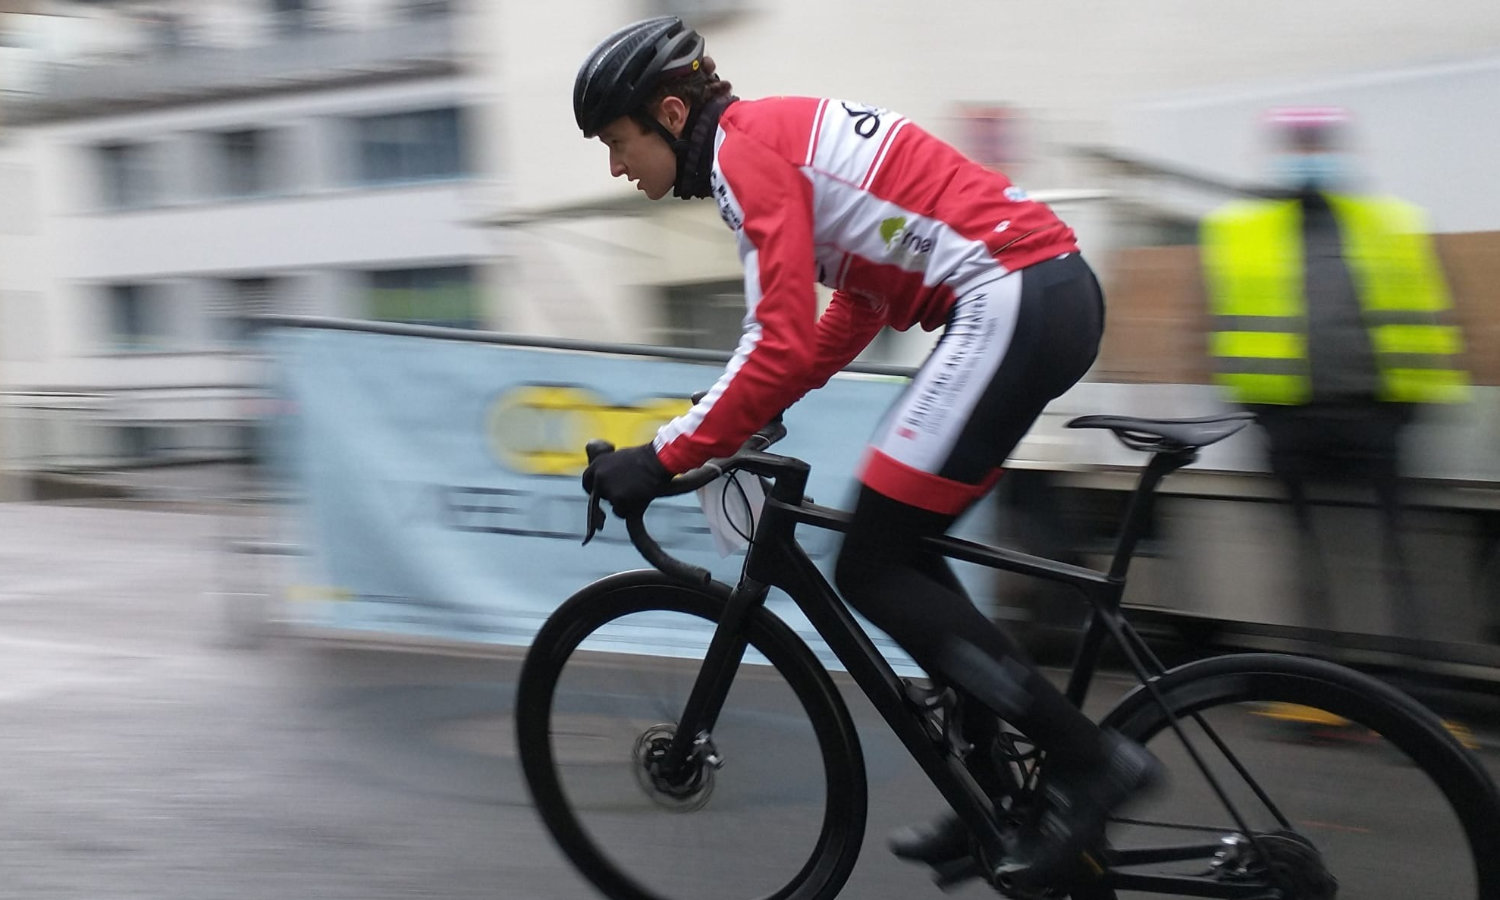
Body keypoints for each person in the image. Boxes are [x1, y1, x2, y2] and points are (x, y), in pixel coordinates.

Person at [573, 16, 1159, 887]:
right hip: (1039, 294)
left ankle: (1089, 761)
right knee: (902, 547)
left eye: (618, 143)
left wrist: (660, 456)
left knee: (871, 566)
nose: (616, 167)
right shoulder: (765, 138)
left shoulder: (744, 152)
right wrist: (719, 415)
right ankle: (1002, 795)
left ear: (666, 112)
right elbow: (853, 308)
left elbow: (774, 343)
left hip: (1011, 294)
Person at [1200, 107, 1469, 648]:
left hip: (1374, 417)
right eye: (1298, 147)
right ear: (1276, 158)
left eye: (1316, 145)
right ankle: (1324, 695)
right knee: (1308, 561)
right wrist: (1263, 413)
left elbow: (1434, 312)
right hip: (1290, 422)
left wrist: (1403, 411)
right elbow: (1214, 322)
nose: (1307, 158)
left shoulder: (1391, 222)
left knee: (1398, 558)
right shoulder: (1239, 229)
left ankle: (1417, 697)